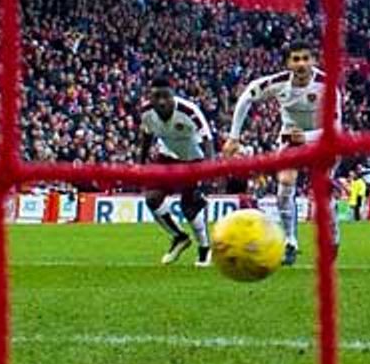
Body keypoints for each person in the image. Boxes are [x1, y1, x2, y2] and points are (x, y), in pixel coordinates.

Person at [223, 44, 334, 267]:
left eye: (306, 58)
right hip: (291, 140)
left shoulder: (326, 85)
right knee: (284, 184)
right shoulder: (278, 83)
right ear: (288, 63)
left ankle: (331, 240)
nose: (301, 64)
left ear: (314, 61)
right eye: (296, 59)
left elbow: (336, 128)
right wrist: (234, 137)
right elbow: (247, 96)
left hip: (320, 141)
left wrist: (307, 137)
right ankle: (290, 241)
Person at [136, 77, 213, 267]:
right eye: (156, 97)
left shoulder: (189, 111)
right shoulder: (146, 112)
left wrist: (208, 172)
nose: (162, 101)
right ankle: (179, 237)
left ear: (173, 95)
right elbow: (146, 135)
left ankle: (204, 249)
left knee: (189, 208)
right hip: (167, 157)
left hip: (194, 161)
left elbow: (208, 141)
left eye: (166, 96)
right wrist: (141, 164)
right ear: (150, 97)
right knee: (152, 198)